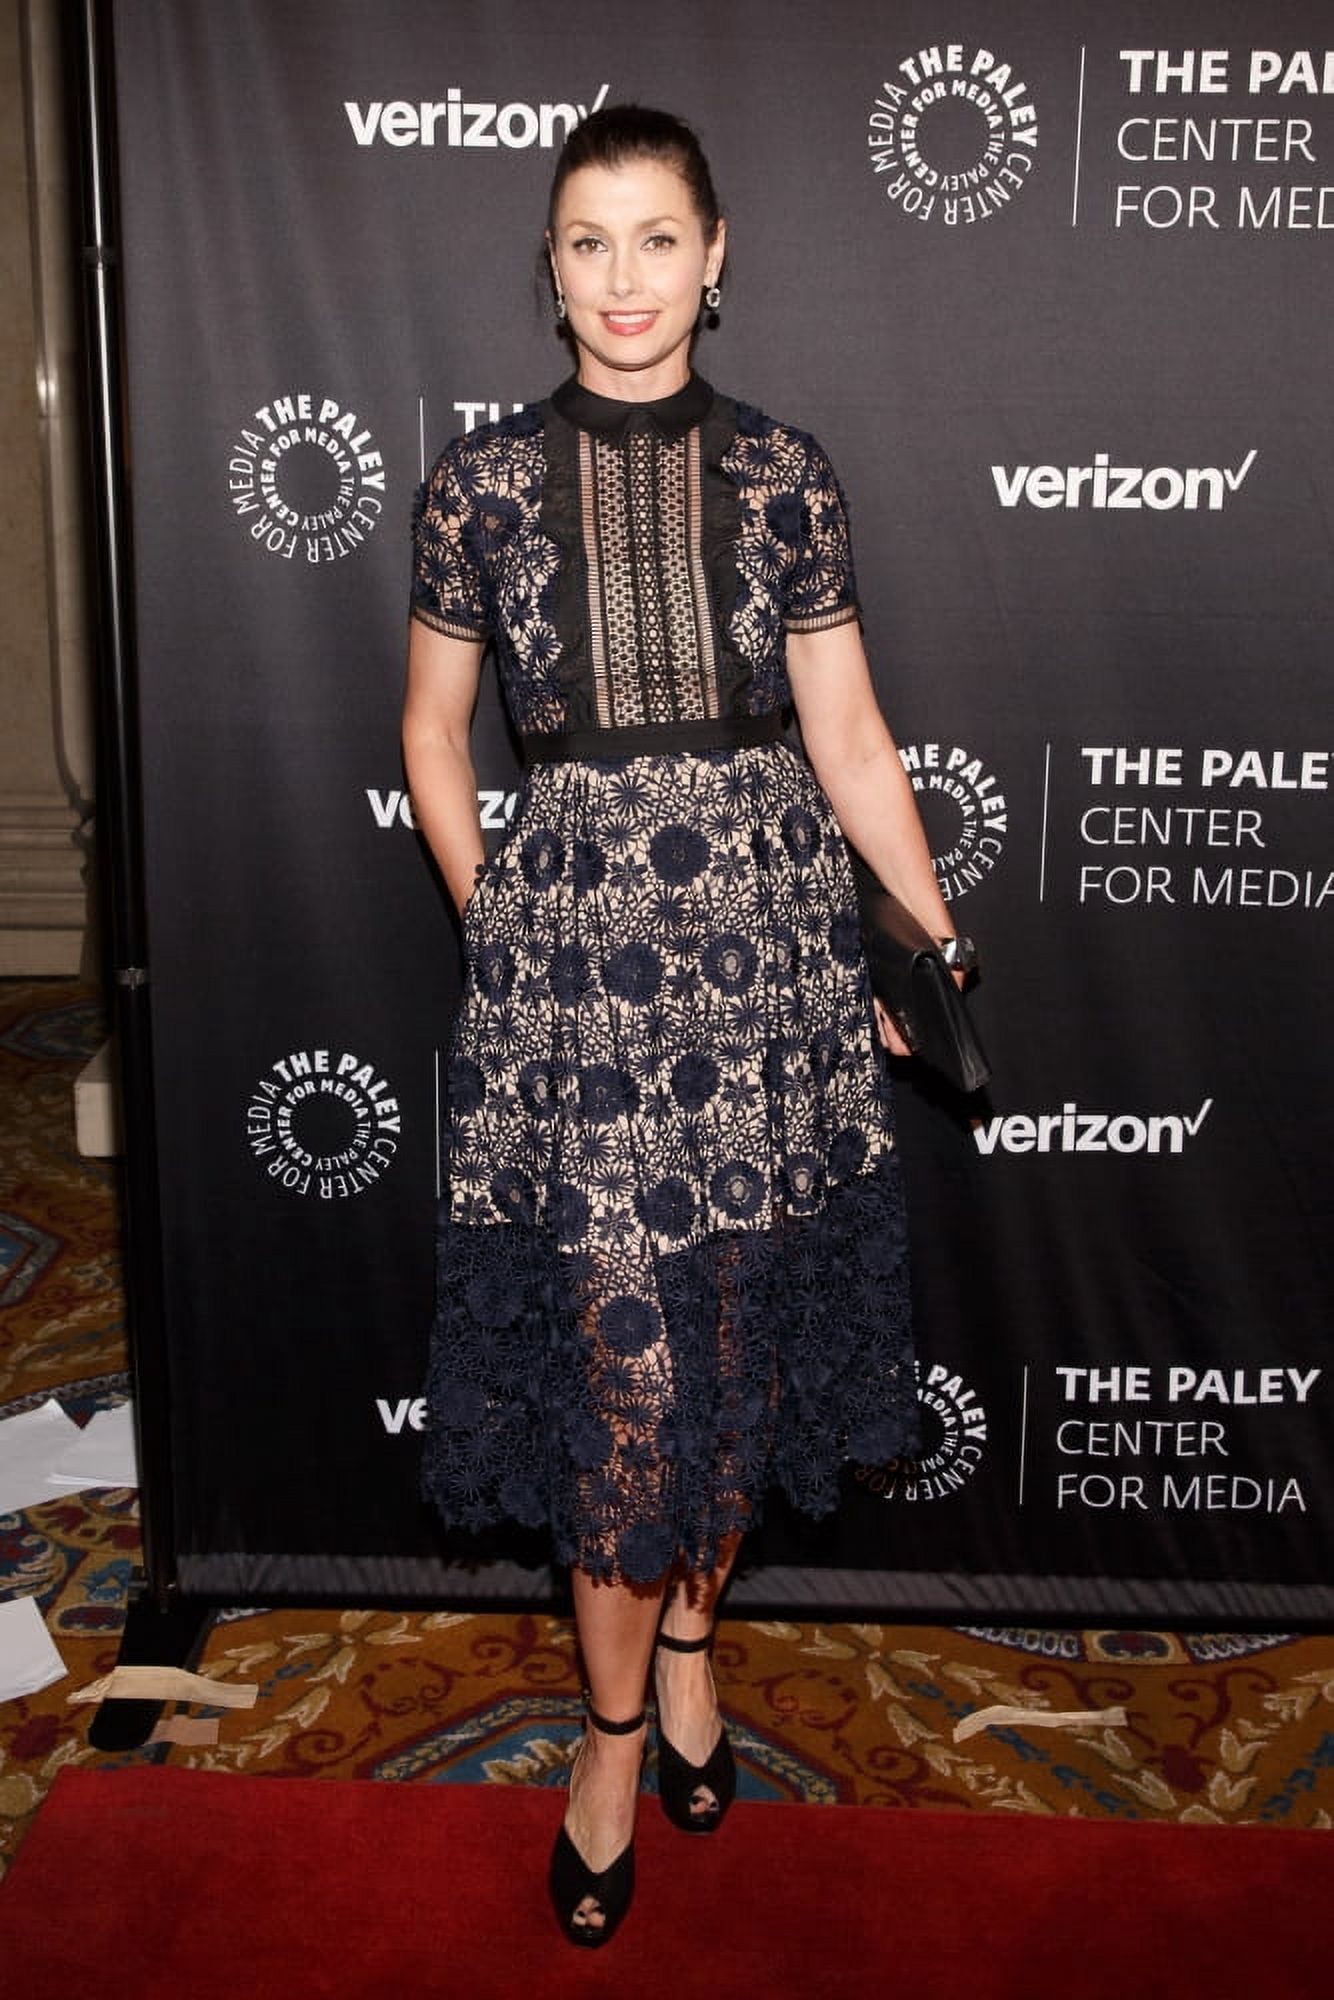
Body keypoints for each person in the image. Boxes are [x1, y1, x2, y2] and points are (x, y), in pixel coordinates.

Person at [402, 104, 966, 1947]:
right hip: (576, 986)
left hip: (768, 961)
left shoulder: (788, 473)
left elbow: (849, 734)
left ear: (715, 257)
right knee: (617, 1377)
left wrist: (923, 936)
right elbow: (430, 735)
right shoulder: (475, 486)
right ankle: (611, 1733)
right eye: (588, 241)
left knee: (732, 1348)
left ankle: (702, 1645)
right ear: (547, 265)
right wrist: (511, 939)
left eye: (659, 239)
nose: (625, 278)